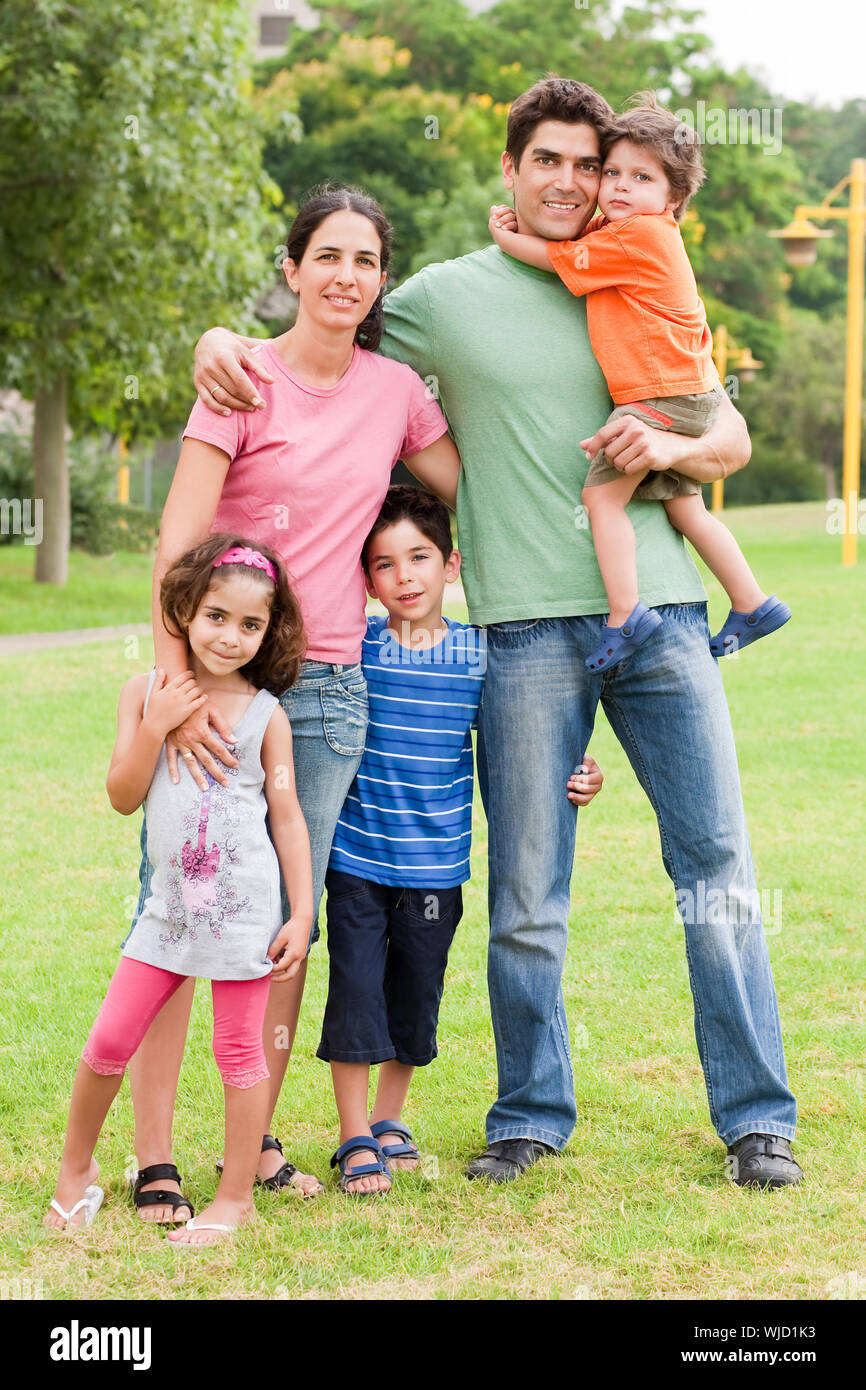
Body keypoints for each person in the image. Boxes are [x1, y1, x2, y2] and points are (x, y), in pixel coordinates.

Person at [193, 78, 802, 1190]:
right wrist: (215, 337)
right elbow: (325, 321)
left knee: (714, 864)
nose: (571, 182)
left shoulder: (635, 263)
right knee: (525, 891)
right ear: (512, 167)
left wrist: (664, 451)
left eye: (589, 164)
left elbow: (728, 435)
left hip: (659, 613)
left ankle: (756, 1117)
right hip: (520, 633)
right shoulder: (442, 297)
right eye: (550, 161)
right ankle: (528, 1111)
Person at [125, 187, 460, 1223]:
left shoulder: (397, 389)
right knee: (178, 916)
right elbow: (178, 547)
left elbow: (465, 481)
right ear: (292, 267)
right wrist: (175, 692)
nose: (345, 276)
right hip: (222, 686)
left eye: (365, 260)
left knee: (277, 929)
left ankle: (256, 1133)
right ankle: (152, 1158)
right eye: (327, 255)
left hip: (326, 695)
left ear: (379, 282)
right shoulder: (238, 378)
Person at [319, 486, 604, 1194]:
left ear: (451, 565)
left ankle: (390, 1120)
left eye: (419, 557)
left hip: (437, 869)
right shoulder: (356, 648)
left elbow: (524, 740)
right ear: (367, 579)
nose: (404, 576)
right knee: (356, 992)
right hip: (355, 860)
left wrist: (579, 770)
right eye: (384, 565)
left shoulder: (478, 657)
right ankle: (354, 1134)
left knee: (415, 995)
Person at [45, 536, 314, 1246]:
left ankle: (235, 1200)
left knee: (240, 1054)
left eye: (250, 625)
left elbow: (286, 816)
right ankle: (75, 1175)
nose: (230, 636)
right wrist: (157, 727)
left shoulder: (267, 715)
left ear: (269, 631)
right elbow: (122, 797)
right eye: (216, 616)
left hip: (244, 915)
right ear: (185, 612)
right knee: (109, 1039)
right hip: (167, 912)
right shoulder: (146, 693)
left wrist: (302, 909)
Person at [489, 92, 791, 673]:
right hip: (688, 392)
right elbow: (578, 242)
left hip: (658, 397)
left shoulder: (641, 236)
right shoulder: (627, 229)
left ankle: (626, 612)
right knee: (685, 507)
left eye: (642, 177)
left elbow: (559, 259)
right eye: (614, 173)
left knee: (601, 498)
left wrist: (505, 236)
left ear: (674, 198)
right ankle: (753, 601)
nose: (620, 187)